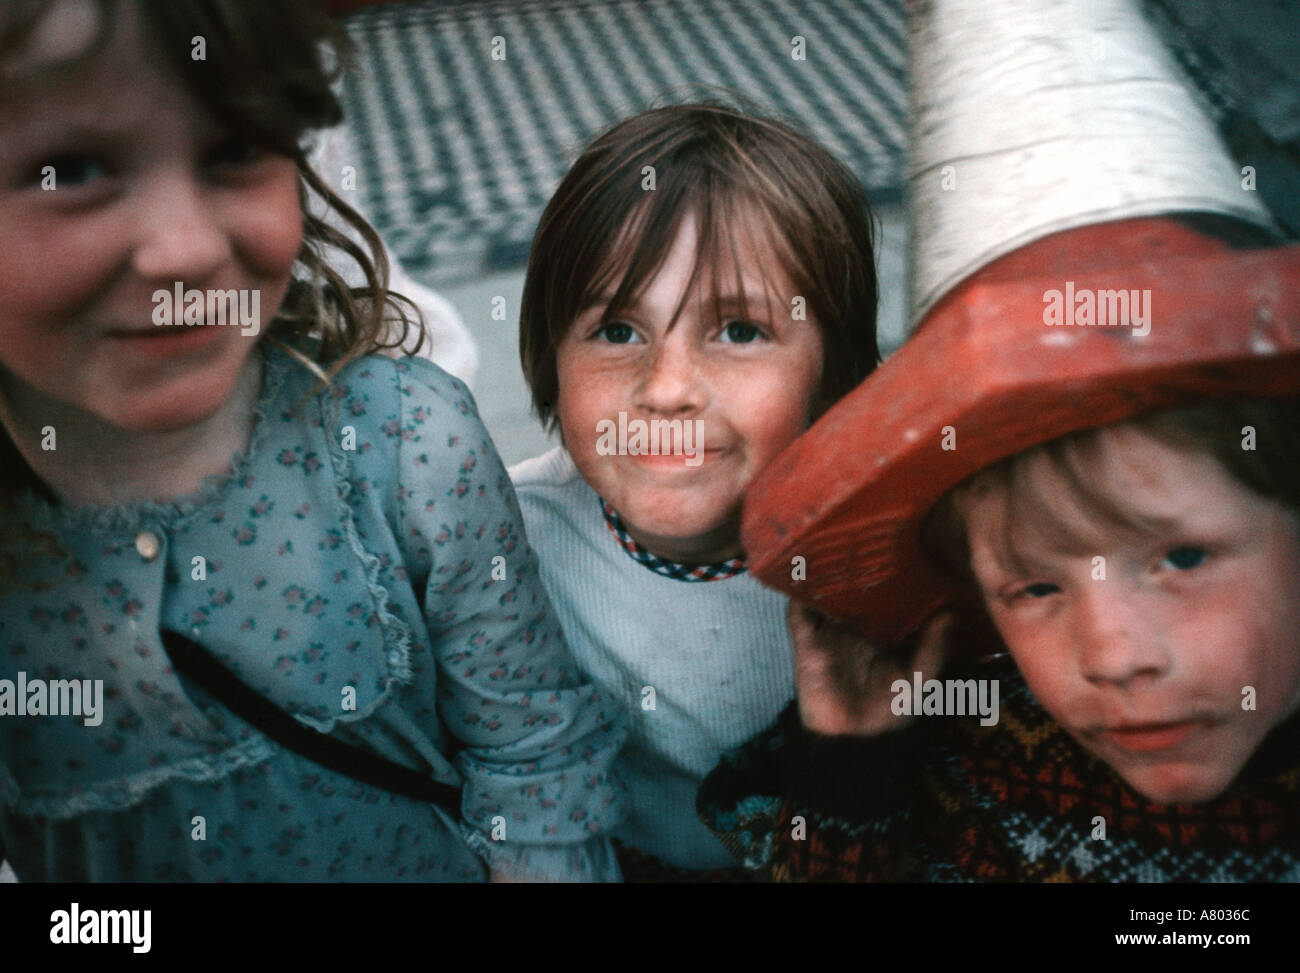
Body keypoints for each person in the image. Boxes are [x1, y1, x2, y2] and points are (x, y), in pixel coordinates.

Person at [0, 0, 625, 882]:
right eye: (72, 169)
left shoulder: (408, 445)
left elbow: (536, 764)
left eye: (236, 152)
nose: (182, 248)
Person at [698, 223, 1300, 882]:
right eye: (1036, 589)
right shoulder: (980, 757)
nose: (1114, 658)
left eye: (1183, 558)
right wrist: (852, 766)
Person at [509, 103, 880, 878]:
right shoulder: (505, 544)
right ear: (549, 359)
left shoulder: (877, 557)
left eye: (739, 330)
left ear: (832, 374)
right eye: (618, 331)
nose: (668, 389)